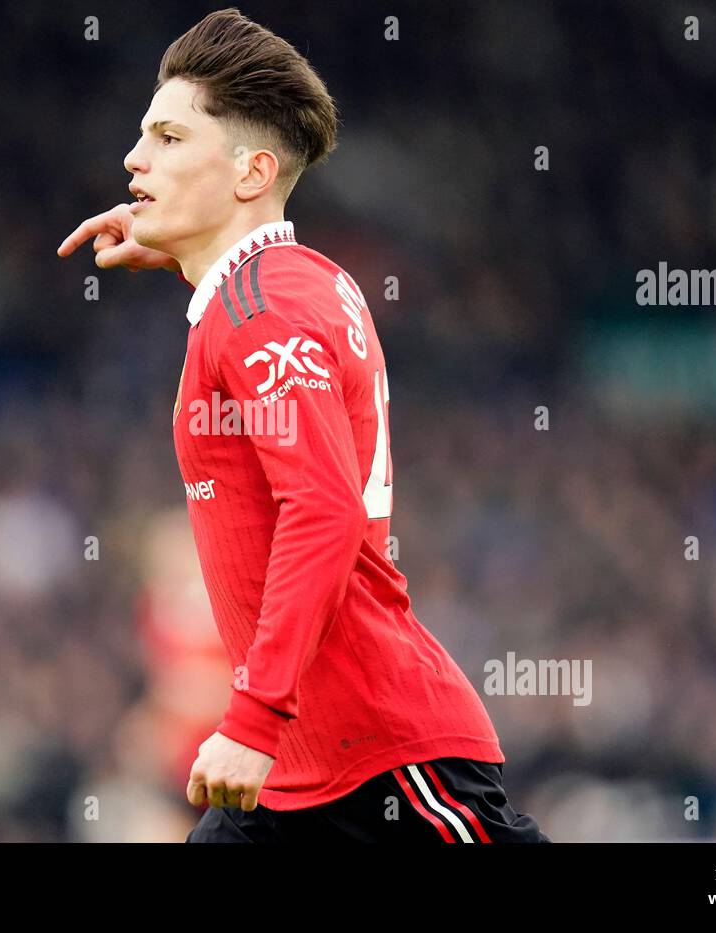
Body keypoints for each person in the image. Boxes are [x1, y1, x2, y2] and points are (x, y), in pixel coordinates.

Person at [58, 8, 549, 844]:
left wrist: (251, 718)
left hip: (387, 765)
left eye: (170, 139)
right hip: (301, 775)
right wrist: (186, 252)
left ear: (251, 173)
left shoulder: (262, 307)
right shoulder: (285, 284)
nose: (136, 159)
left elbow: (321, 508)